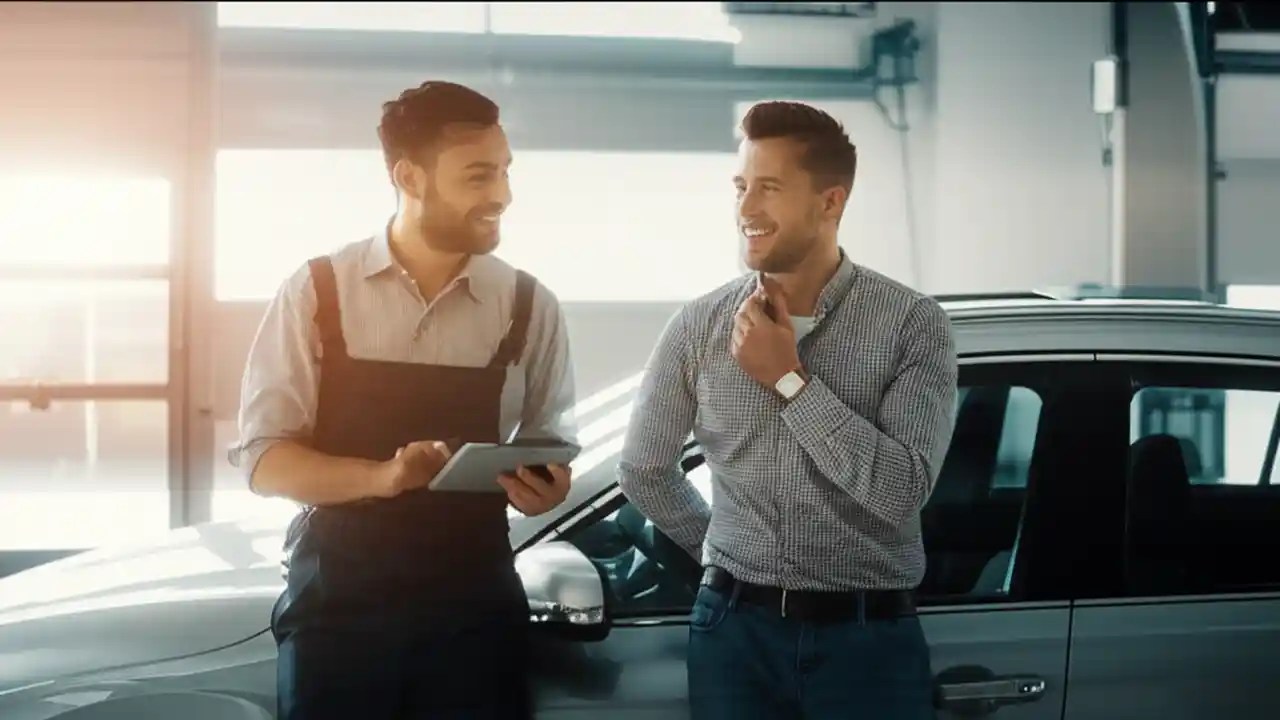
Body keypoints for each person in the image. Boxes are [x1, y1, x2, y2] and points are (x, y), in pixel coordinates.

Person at [230, 80, 578, 720]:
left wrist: (546, 487)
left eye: (504, 172)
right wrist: (384, 476)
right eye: (478, 175)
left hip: (475, 612)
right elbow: (264, 461)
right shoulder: (317, 291)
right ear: (409, 177)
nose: (501, 194)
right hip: (337, 610)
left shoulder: (530, 306)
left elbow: (550, 445)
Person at [617, 100, 958, 719]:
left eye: (768, 188)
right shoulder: (699, 325)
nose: (746, 209)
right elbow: (643, 469)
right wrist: (726, 555)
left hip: (868, 641)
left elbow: (903, 489)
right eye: (741, 186)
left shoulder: (913, 325)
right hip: (733, 635)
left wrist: (790, 381)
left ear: (831, 201)